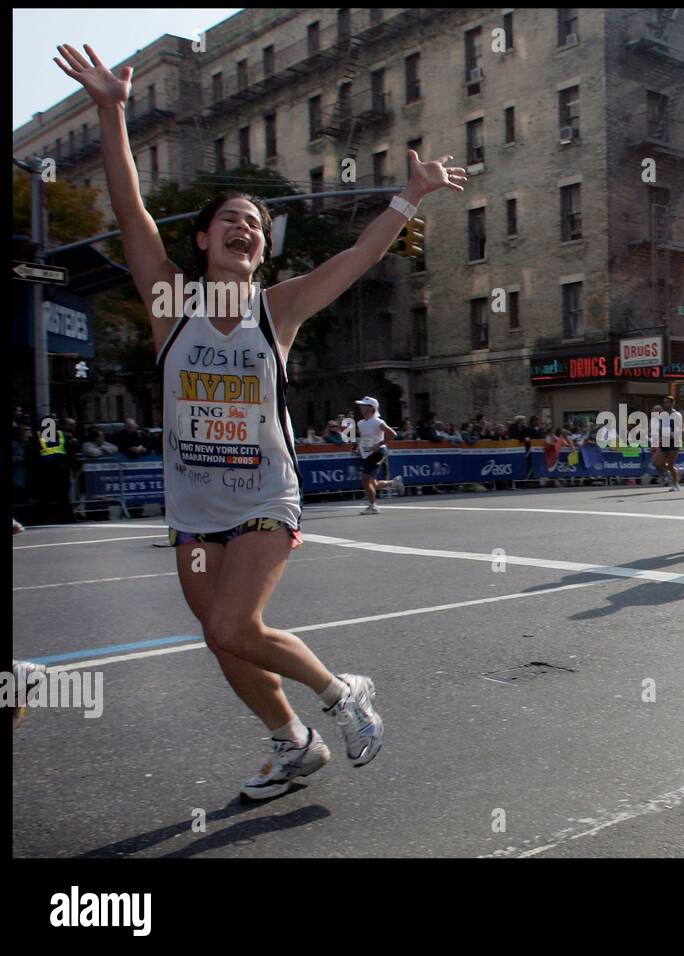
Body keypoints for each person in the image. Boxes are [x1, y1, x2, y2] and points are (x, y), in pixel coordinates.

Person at [57, 39, 468, 799]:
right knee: (227, 647)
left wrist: (410, 196)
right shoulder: (170, 305)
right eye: (231, 220)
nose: (246, 227)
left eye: (256, 222)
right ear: (204, 240)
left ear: (261, 248)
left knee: (229, 626)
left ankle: (344, 695)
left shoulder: (275, 310)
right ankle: (293, 745)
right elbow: (128, 208)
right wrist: (112, 113)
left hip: (262, 501)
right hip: (193, 510)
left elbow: (357, 259)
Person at [353, 396, 405, 514]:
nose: (360, 407)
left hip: (378, 452)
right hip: (367, 453)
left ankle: (373, 506)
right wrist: (358, 447)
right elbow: (364, 437)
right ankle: (394, 483)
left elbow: (392, 434)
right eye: (360, 405)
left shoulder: (378, 422)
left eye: (363, 405)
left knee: (366, 480)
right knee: (372, 483)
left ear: (371, 408)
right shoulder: (360, 423)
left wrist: (379, 444)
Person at [651, 396, 684, 491]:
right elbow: (660, 427)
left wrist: (672, 434)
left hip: (674, 442)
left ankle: (676, 483)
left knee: (670, 464)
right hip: (664, 441)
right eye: (664, 402)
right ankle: (671, 473)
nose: (665, 404)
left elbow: (679, 429)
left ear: (673, 403)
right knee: (656, 462)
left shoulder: (677, 415)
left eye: (667, 402)